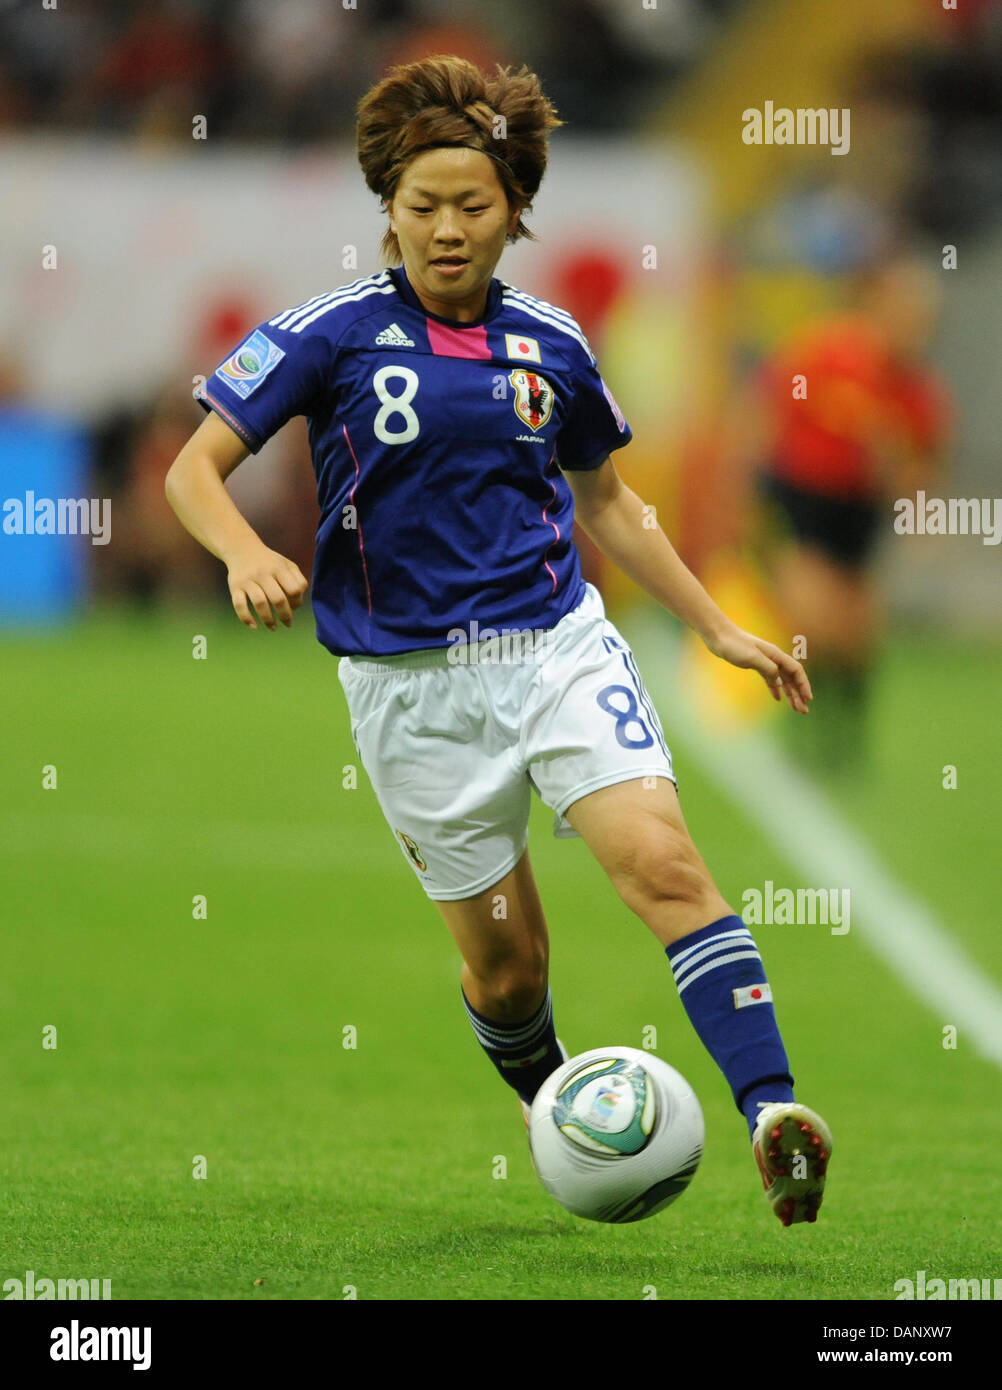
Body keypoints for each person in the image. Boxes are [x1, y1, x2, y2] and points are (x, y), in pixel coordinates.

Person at [164, 54, 831, 1227]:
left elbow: (610, 502)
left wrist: (723, 628)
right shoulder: (327, 334)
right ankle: (560, 1110)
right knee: (509, 971)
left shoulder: (553, 344)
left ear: (515, 209)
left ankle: (773, 1112)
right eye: (421, 207)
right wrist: (243, 552)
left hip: (554, 649)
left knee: (663, 865)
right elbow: (193, 467)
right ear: (389, 211)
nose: (446, 229)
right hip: (407, 689)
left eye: (472, 206)